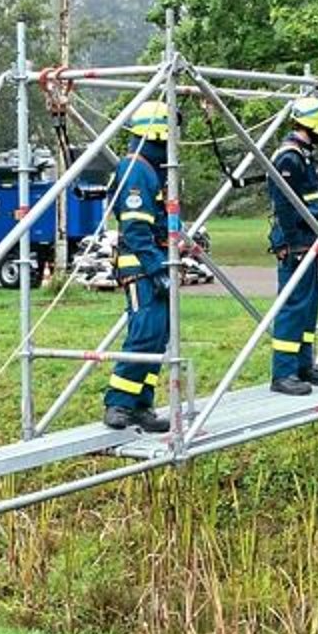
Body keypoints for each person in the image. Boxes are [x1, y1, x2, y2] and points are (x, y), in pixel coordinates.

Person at [103, 101, 176, 432]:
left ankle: (141, 404)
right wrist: (156, 268)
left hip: (154, 262)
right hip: (141, 266)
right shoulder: (136, 169)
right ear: (157, 135)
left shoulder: (149, 169)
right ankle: (118, 403)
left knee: (158, 337)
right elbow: (134, 228)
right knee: (144, 333)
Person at [266, 93, 318, 396]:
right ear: (314, 125)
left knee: (309, 305)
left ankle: (304, 365)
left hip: (309, 239)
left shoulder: (303, 155)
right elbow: (284, 205)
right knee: (293, 306)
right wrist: (294, 242)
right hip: (295, 242)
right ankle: (283, 373)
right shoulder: (289, 157)